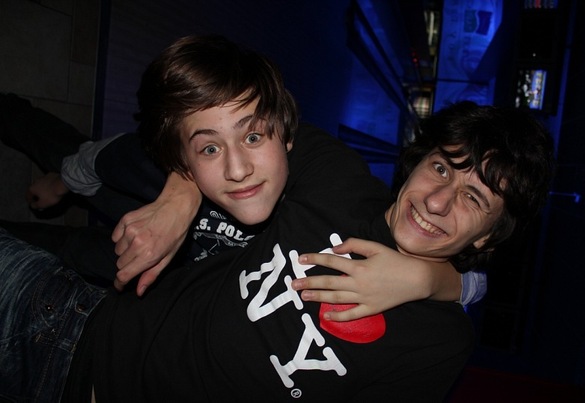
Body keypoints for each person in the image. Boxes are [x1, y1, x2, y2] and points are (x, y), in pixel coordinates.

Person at [0, 91, 554, 401]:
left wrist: (435, 281)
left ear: (488, 235)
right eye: (441, 168)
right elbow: (224, 120)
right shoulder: (338, 179)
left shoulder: (442, 340)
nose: (436, 201)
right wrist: (181, 192)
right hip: (73, 324)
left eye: (473, 198)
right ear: (418, 161)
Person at [0, 36, 483, 318]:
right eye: (440, 168)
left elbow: (477, 281)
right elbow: (106, 157)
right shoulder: (171, 161)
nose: (238, 170)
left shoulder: (335, 199)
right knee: (51, 141)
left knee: (47, 249)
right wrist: (67, 183)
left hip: (125, 264)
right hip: (119, 187)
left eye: (254, 137)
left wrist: (428, 279)